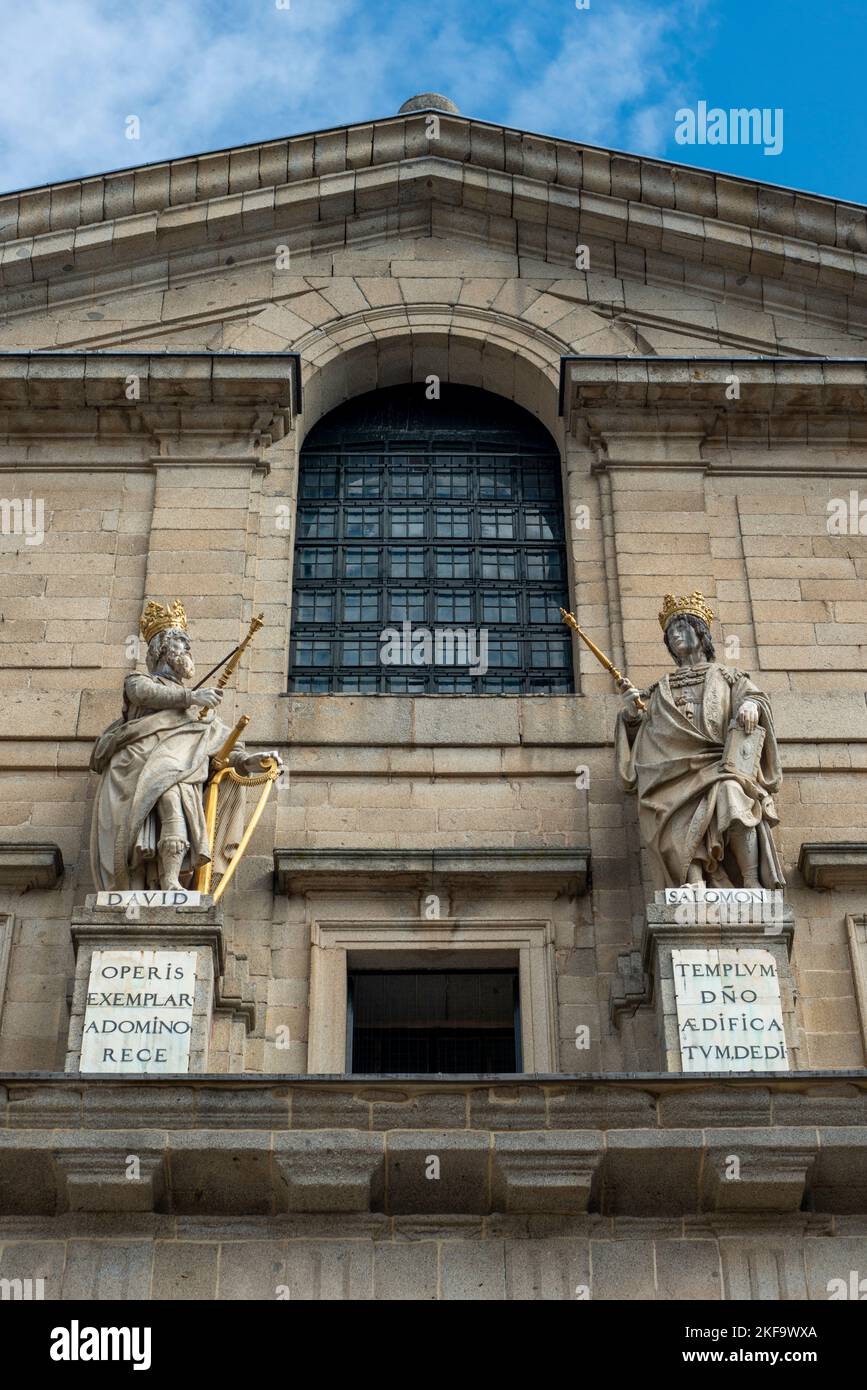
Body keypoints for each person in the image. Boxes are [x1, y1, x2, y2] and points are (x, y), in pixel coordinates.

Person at [90, 600, 282, 891]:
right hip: (137, 768)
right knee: (167, 802)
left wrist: (253, 761)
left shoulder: (197, 713)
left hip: (176, 773)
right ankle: (143, 883)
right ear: (164, 649)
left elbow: (223, 746)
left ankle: (169, 880)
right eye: (182, 643)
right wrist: (190, 697)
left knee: (175, 805)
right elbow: (143, 693)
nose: (189, 651)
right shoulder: (141, 681)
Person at [615, 591, 784, 891]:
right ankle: (692, 881)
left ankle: (750, 879)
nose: (675, 636)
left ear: (700, 632)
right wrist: (630, 715)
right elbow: (643, 732)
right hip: (671, 774)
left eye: (682, 628)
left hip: (720, 765)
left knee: (733, 796)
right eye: (670, 634)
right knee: (671, 808)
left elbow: (756, 698)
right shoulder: (659, 690)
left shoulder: (729, 676)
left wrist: (750, 706)